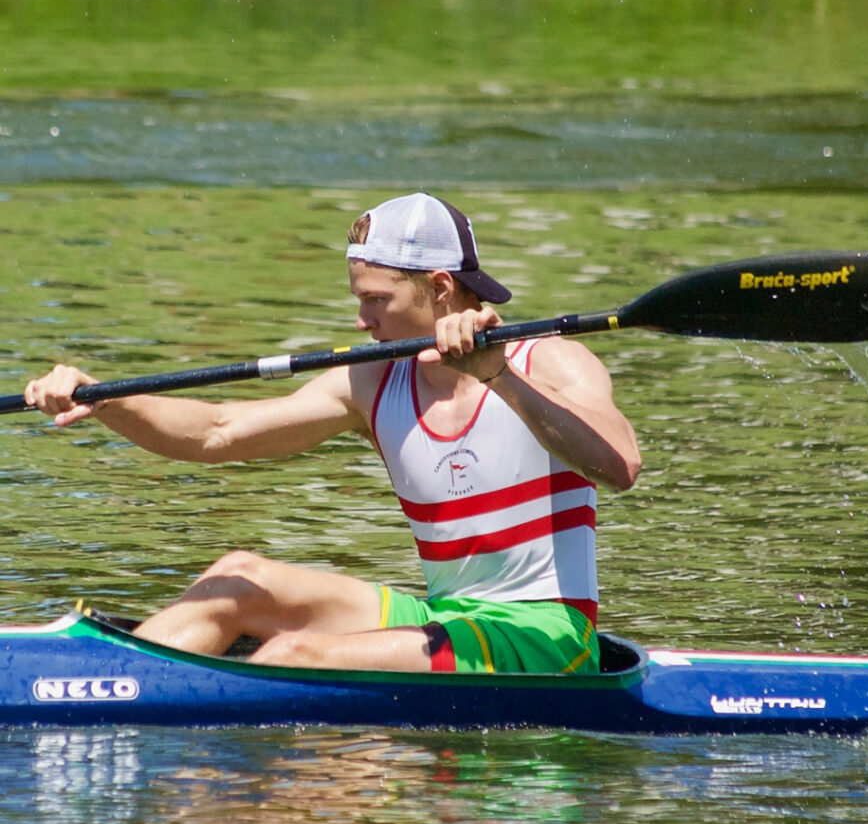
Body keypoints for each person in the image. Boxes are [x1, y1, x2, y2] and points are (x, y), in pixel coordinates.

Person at [24, 192, 641, 674]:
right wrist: (102, 398)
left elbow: (621, 465)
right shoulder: (373, 380)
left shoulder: (546, 360)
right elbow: (218, 431)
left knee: (296, 654)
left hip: (546, 637)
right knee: (239, 577)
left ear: (440, 287)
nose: (361, 318)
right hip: (448, 616)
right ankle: (110, 686)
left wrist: (496, 374)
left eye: (376, 299)